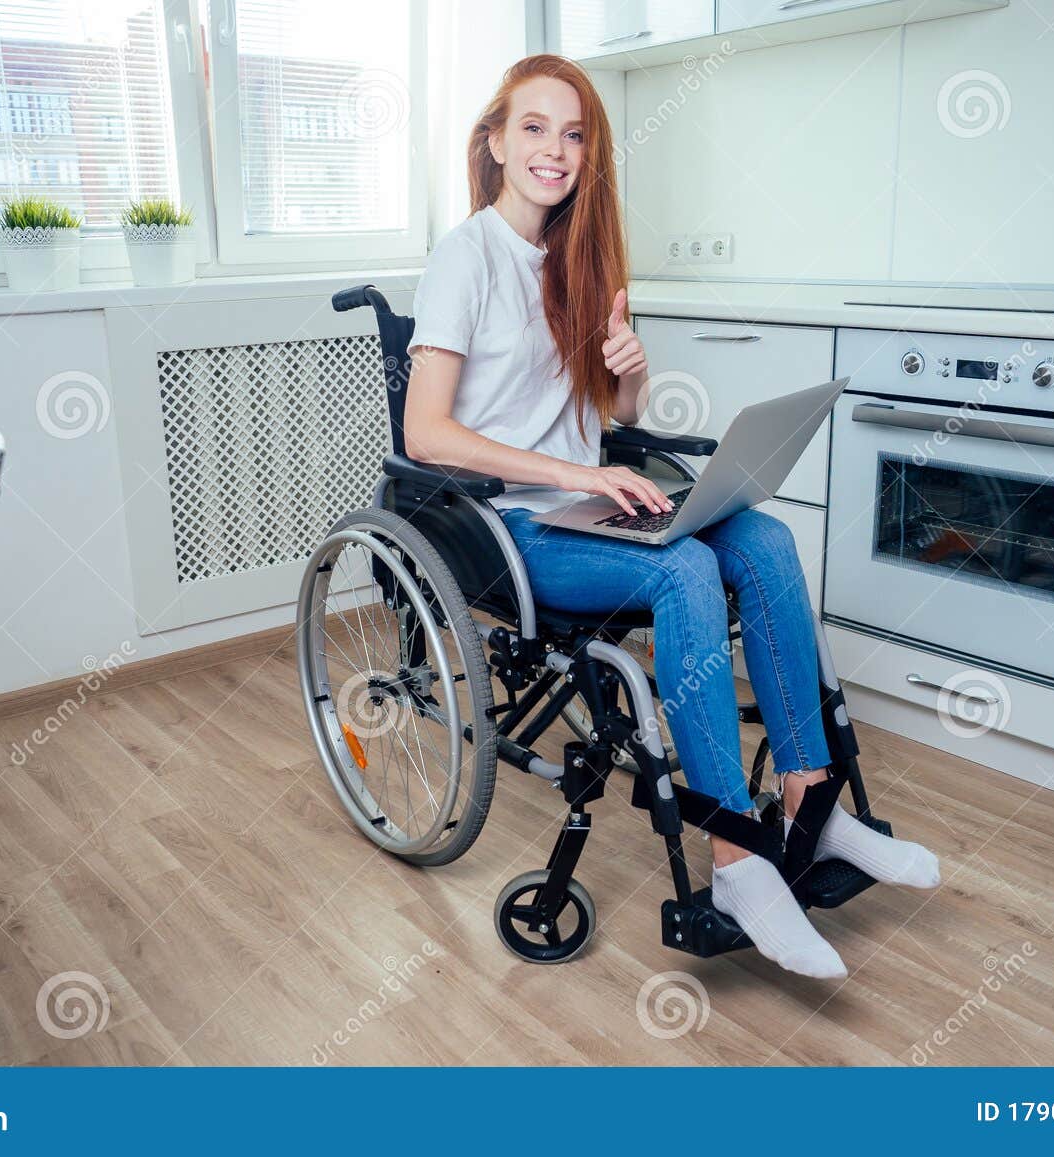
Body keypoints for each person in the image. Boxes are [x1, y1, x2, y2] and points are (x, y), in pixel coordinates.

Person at [402, 54, 939, 980]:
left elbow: (616, 418)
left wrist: (630, 365)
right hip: (518, 529)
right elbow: (425, 430)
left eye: (573, 135)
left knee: (764, 536)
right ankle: (736, 861)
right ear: (493, 141)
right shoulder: (465, 256)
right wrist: (579, 474)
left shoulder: (579, 259)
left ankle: (814, 804)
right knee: (684, 569)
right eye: (533, 128)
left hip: (587, 500)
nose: (555, 150)